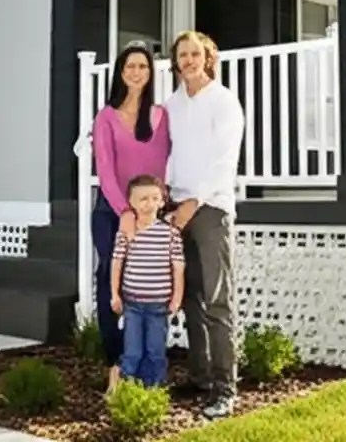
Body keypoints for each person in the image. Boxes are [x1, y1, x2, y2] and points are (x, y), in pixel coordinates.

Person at [162, 30, 245, 420]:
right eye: (183, 54)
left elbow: (224, 161)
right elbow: (169, 155)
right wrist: (166, 198)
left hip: (210, 208)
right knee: (190, 297)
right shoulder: (171, 105)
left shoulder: (224, 102)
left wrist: (193, 202)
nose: (189, 60)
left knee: (216, 300)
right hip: (177, 207)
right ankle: (199, 377)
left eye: (196, 54)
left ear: (208, 58)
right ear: (176, 61)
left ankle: (225, 389)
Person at [91, 41, 171, 393]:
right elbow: (105, 170)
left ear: (150, 73)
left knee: (148, 287)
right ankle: (115, 369)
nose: (136, 72)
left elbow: (166, 165)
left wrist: (155, 208)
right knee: (112, 282)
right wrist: (124, 211)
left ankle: (144, 370)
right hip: (112, 212)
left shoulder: (160, 116)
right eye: (129, 67)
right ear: (120, 73)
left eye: (142, 66)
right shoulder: (106, 116)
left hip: (151, 214)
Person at [110, 174, 185, 388]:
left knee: (156, 351)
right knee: (132, 351)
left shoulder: (170, 234)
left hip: (159, 305)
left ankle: (154, 392)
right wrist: (115, 294)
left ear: (162, 201)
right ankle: (127, 391)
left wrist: (176, 299)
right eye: (142, 199)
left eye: (154, 198)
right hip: (132, 303)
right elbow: (117, 262)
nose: (149, 204)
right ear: (131, 203)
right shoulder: (127, 233)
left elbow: (178, 268)